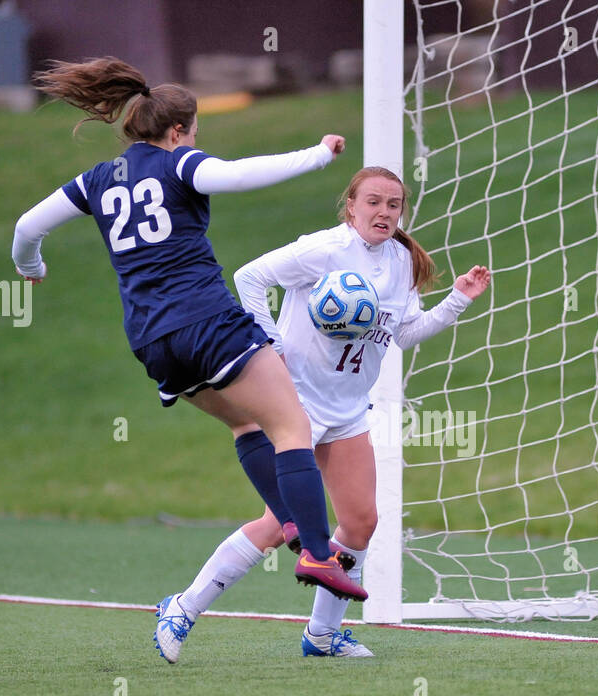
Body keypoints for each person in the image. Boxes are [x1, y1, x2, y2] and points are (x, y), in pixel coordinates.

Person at [9, 56, 365, 609]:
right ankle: (318, 552)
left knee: (247, 423)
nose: (197, 139)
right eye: (195, 130)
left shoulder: (98, 179)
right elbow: (241, 174)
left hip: (152, 341)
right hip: (207, 322)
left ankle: (294, 525)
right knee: (292, 424)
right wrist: (318, 155)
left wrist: (30, 267)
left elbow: (26, 227)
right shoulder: (179, 165)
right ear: (178, 131)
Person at [152, 166, 492, 661]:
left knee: (360, 523)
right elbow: (249, 277)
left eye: (393, 205)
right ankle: (182, 607)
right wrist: (269, 348)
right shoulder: (325, 249)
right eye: (373, 202)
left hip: (350, 409)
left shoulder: (401, 261)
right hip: (297, 405)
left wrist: (458, 300)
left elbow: (403, 334)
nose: (384, 212)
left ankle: (323, 635)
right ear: (351, 205)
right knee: (277, 525)